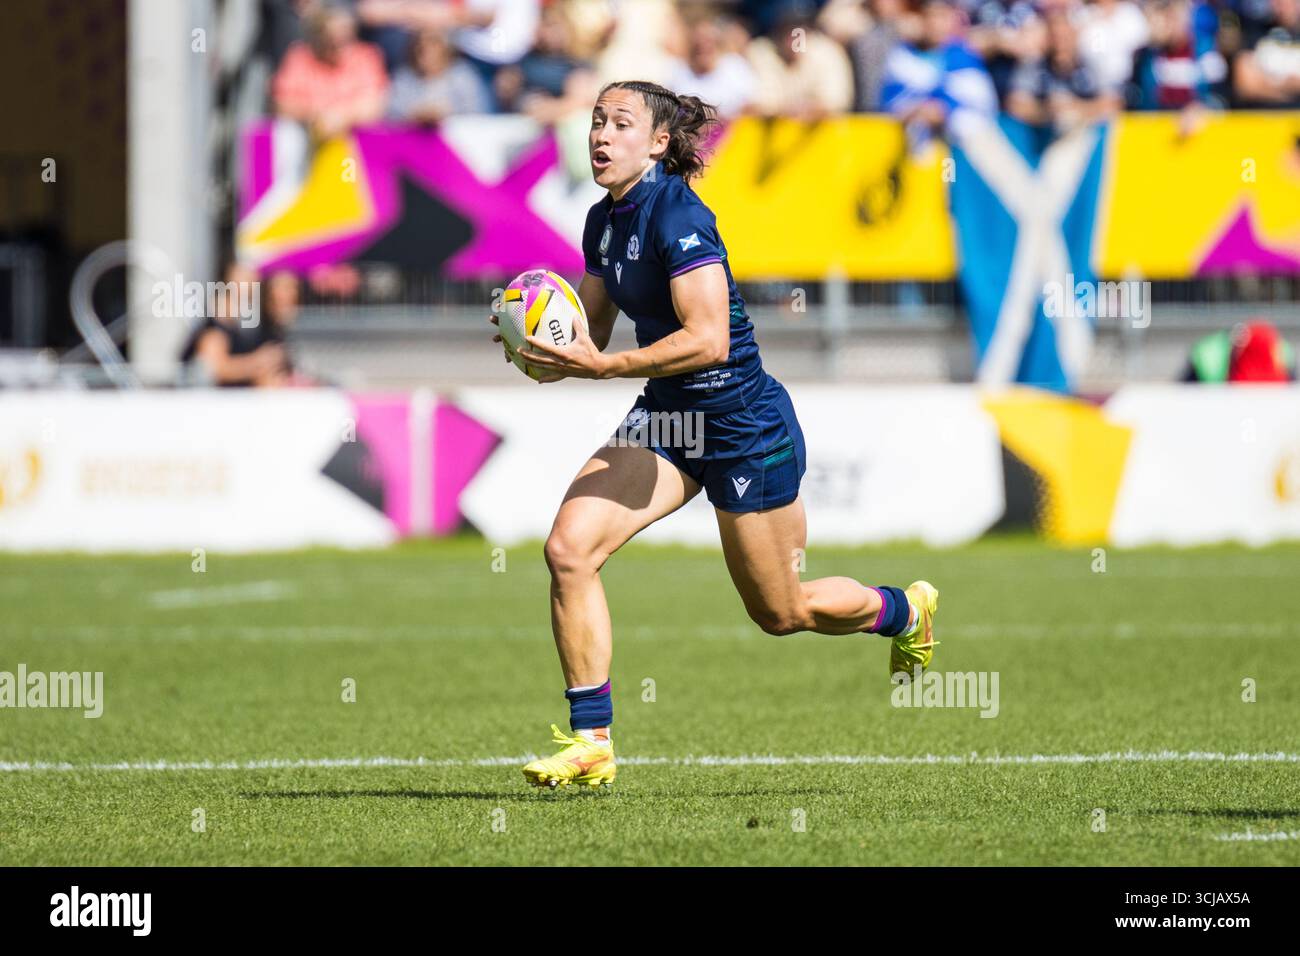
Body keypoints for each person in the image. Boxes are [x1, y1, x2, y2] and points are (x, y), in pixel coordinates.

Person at [487, 80, 941, 789]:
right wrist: (542, 348)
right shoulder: (601, 222)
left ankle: (904, 609)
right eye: (597, 122)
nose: (601, 135)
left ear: (659, 143)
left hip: (740, 423)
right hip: (669, 416)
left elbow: (709, 339)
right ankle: (591, 743)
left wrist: (604, 367)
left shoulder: (679, 214)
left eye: (621, 124)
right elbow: (594, 335)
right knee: (568, 550)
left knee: (781, 612)